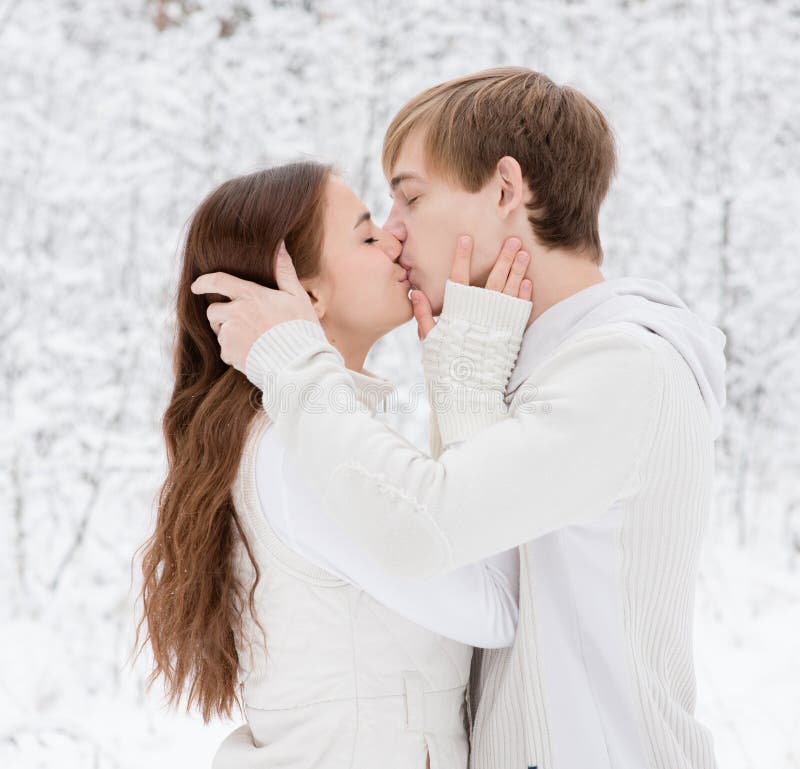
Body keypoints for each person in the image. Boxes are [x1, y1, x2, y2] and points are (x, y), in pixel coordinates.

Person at [192, 67, 727, 769]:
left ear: (506, 190)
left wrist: (303, 363)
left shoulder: (622, 371)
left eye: (409, 196)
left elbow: (431, 533)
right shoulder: (519, 363)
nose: (393, 233)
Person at [134, 160, 534, 769]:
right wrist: (472, 393)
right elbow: (494, 610)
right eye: (368, 235)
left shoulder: (301, 436)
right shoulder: (294, 456)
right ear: (311, 295)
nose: (395, 239)